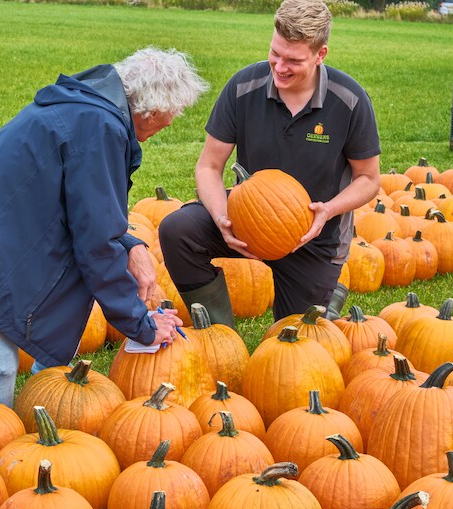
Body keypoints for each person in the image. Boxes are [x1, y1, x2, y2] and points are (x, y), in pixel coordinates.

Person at [0, 48, 208, 407]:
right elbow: (97, 244)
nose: (171, 123)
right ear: (149, 110)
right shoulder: (100, 128)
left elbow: (84, 213)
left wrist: (131, 244)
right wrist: (142, 324)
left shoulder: (83, 108)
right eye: (171, 114)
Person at [158, 0, 381, 328]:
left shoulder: (349, 100)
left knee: (297, 343)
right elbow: (209, 166)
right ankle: (220, 332)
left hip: (314, 239)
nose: (279, 67)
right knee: (177, 230)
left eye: (293, 60)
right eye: (275, 54)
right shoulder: (243, 86)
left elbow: (368, 178)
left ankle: (328, 294)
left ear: (320, 55)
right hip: (249, 221)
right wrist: (223, 218)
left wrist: (328, 210)